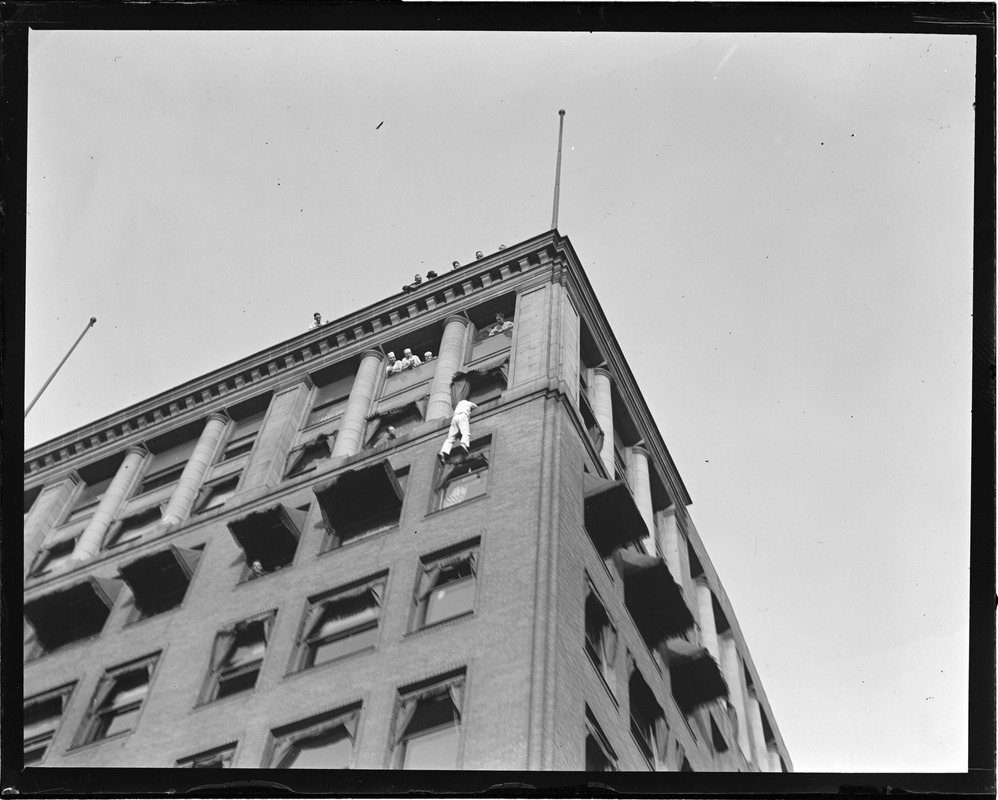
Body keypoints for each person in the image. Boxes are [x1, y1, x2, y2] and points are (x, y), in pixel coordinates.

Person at [438, 399, 478, 463]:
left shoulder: (458, 405)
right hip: (463, 416)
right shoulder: (468, 403)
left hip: (454, 419)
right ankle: (463, 444)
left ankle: (442, 452)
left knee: (450, 438)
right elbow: (476, 407)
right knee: (466, 433)